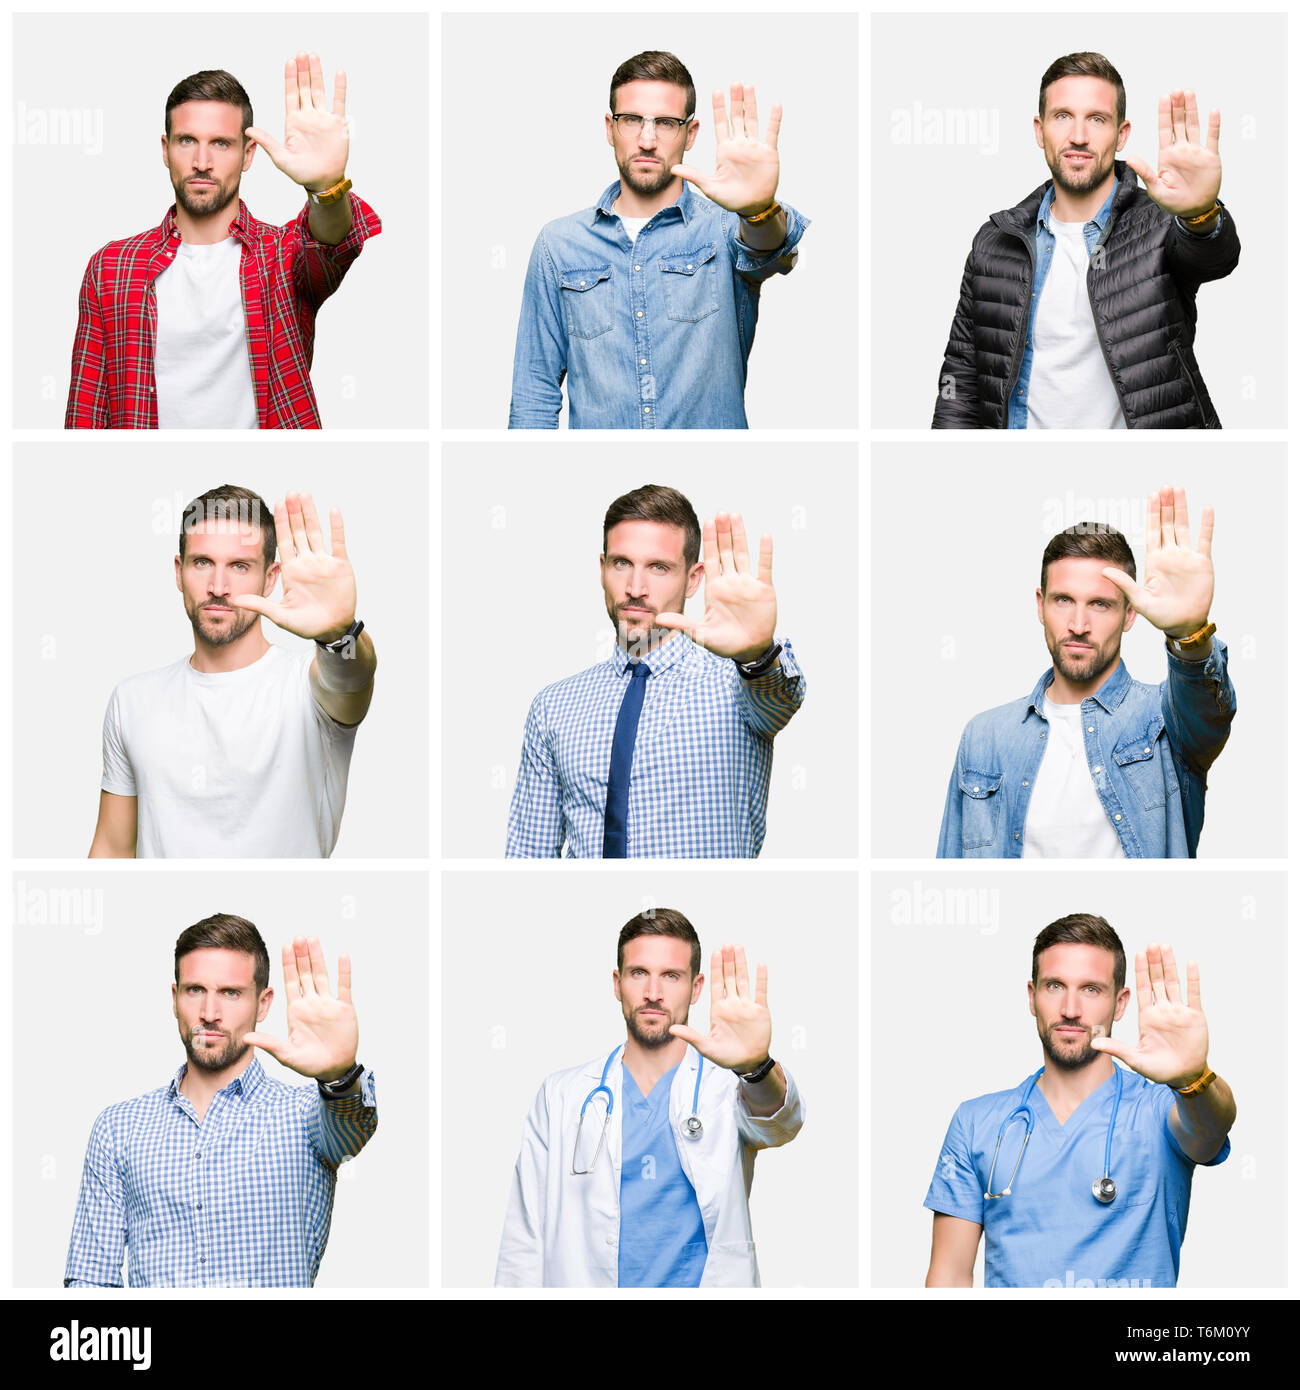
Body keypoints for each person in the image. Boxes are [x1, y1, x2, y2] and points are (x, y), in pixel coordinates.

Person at [66, 54, 381, 429]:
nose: (202, 161)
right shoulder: (111, 268)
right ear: (165, 150)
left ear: (248, 155)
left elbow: (332, 240)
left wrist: (325, 186)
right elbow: (84, 420)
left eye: (220, 143)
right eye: (187, 141)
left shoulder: (282, 255)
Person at [495, 909, 803, 1287]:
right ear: (616, 982)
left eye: (671, 976)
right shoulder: (561, 1095)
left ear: (697, 986)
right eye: (638, 973)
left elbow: (781, 1122)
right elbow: (523, 1239)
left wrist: (756, 1066)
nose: (653, 994)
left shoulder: (729, 1086)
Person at [65, 915, 376, 1288]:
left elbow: (352, 1127)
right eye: (195, 990)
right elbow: (89, 1281)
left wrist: (338, 1076)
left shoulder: (305, 1115)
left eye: (230, 993)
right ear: (175, 997)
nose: (209, 1013)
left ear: (263, 1004)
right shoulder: (118, 1128)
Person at [932, 52, 1239, 429]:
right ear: (1039, 129)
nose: (1078, 136)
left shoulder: (1160, 226)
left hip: (1141, 480)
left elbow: (1214, 257)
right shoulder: (995, 243)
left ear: (1121, 134)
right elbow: (960, 380)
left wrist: (1199, 213)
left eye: (1097, 119)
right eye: (1063, 116)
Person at [924, 915, 1234, 1288]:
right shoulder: (976, 1122)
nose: (1070, 1008)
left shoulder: (1160, 1110)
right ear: (1031, 996)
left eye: (1091, 989)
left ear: (1120, 1004)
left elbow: (1212, 1125)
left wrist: (1192, 1078)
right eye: (1055, 986)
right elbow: (949, 1278)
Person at [509, 50, 808, 429]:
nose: (647, 140)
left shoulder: (723, 231)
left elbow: (771, 250)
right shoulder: (559, 245)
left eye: (666, 123)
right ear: (609, 127)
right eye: (631, 120)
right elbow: (534, 394)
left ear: (691, 133)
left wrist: (758, 209)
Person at [506, 484, 805, 857]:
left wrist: (756, 655)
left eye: (658, 568)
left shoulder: (735, 681)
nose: (635, 588)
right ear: (602, 569)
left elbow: (778, 700)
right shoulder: (553, 706)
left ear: (694, 579)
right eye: (622, 563)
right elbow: (527, 860)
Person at [937, 486, 1234, 858]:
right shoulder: (984, 737)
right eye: (1064, 600)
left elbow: (1209, 711)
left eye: (1100, 604)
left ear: (1129, 614)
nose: (1078, 624)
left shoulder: (1164, 719)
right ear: (1041, 605)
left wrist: (1188, 633)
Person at [89, 484, 376, 858]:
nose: (218, 587)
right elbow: (111, 849)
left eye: (240, 566)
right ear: (179, 571)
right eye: (203, 562)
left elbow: (353, 675)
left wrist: (340, 633)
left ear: (270, 578)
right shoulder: (132, 700)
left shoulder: (308, 686)